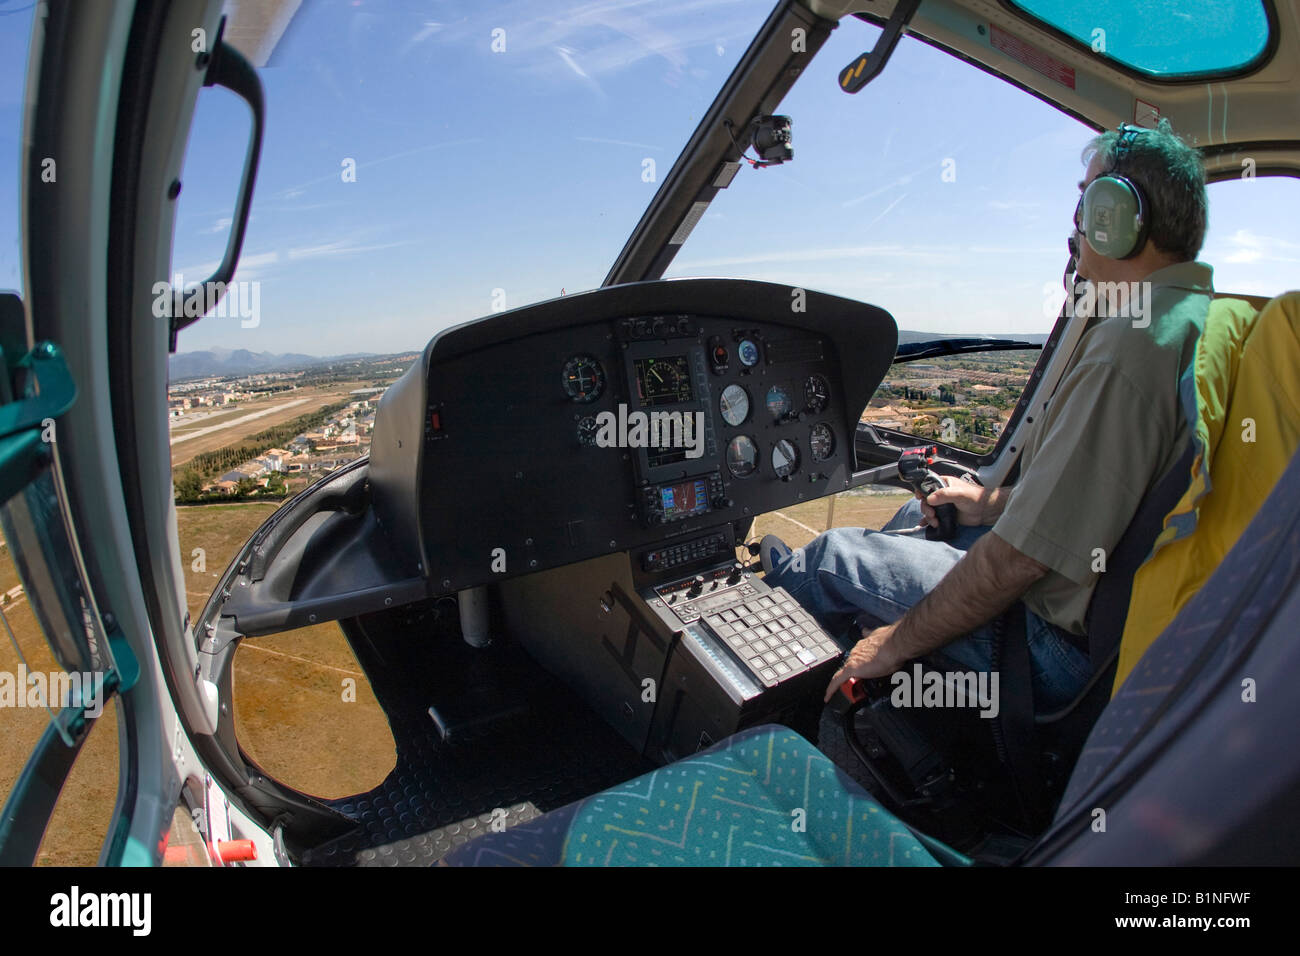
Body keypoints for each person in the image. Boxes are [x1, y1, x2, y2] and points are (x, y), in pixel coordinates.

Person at [761, 119, 1213, 714]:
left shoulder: (1130, 347)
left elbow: (1020, 561)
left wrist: (893, 643)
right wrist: (990, 504)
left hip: (1054, 646)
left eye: (1085, 202)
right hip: (1116, 625)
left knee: (830, 557)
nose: (1076, 225)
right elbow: (1099, 503)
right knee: (921, 512)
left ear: (1118, 215)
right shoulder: (1191, 319)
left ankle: (754, 718)